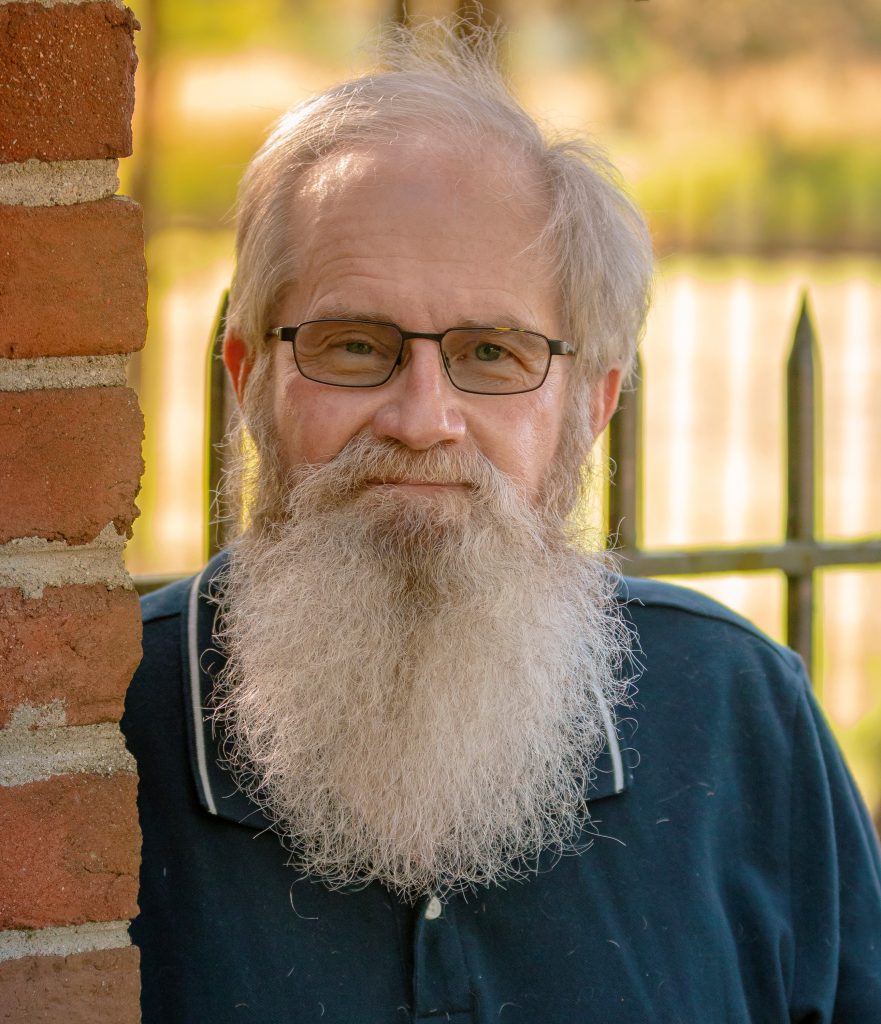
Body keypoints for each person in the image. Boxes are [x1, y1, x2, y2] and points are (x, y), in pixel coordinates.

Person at [122, 21, 881, 1024]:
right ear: (247, 378)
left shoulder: (736, 717)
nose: (421, 420)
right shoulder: (100, 733)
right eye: (354, 346)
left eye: (491, 353)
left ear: (591, 404)